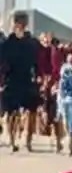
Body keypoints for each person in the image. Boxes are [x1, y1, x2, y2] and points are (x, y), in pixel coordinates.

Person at [0, 12, 41, 152]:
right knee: (11, 112)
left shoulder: (32, 43)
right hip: (11, 80)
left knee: (32, 110)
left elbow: (38, 62)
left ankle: (27, 140)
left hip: (28, 79)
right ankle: (12, 141)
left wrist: (39, 76)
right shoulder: (6, 44)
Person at [54, 54, 72, 155]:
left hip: (64, 96)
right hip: (68, 96)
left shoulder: (64, 68)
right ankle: (69, 145)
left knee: (65, 121)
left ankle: (67, 145)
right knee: (70, 122)